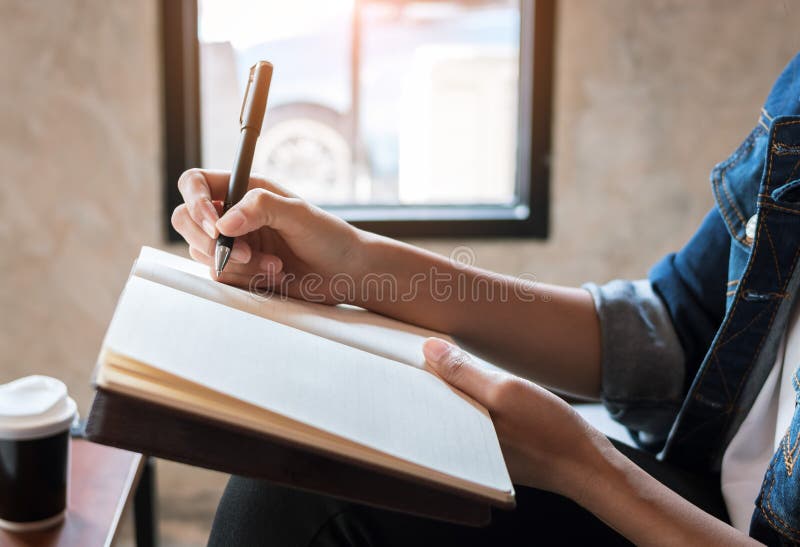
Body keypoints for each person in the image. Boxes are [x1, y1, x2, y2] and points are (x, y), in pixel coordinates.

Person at [171, 52, 800, 546]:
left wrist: (582, 467)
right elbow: (672, 332)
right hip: (706, 499)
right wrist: (358, 268)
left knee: (306, 499)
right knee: (304, 474)